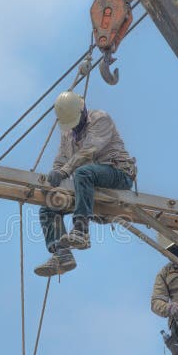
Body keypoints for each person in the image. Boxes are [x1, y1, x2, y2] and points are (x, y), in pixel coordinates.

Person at [34, 91, 136, 277]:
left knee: (83, 172)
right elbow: (61, 160)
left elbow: (88, 151)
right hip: (87, 182)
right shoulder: (68, 132)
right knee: (48, 207)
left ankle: (81, 230)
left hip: (117, 174)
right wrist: (54, 179)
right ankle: (61, 254)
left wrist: (64, 171)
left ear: (82, 110)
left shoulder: (100, 119)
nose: (74, 127)